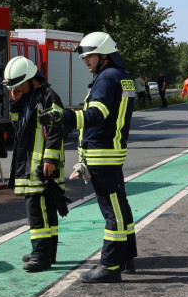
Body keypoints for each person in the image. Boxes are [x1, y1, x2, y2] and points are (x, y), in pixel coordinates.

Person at [41, 31, 137, 283]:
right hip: (111, 152)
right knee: (120, 206)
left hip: (101, 153)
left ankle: (110, 265)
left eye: (89, 56)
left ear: (104, 55)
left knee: (112, 211)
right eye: (83, 57)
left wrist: (63, 116)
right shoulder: (122, 77)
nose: (85, 60)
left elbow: (96, 115)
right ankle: (126, 256)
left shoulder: (106, 78)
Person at [3, 56, 67, 272]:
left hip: (41, 165)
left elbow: (57, 129)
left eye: (19, 85)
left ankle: (41, 256)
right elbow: (17, 126)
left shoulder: (48, 96)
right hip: (32, 163)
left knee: (37, 211)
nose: (17, 89)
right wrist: (15, 101)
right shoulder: (28, 96)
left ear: (31, 78)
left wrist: (50, 159)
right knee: (45, 210)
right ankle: (47, 252)